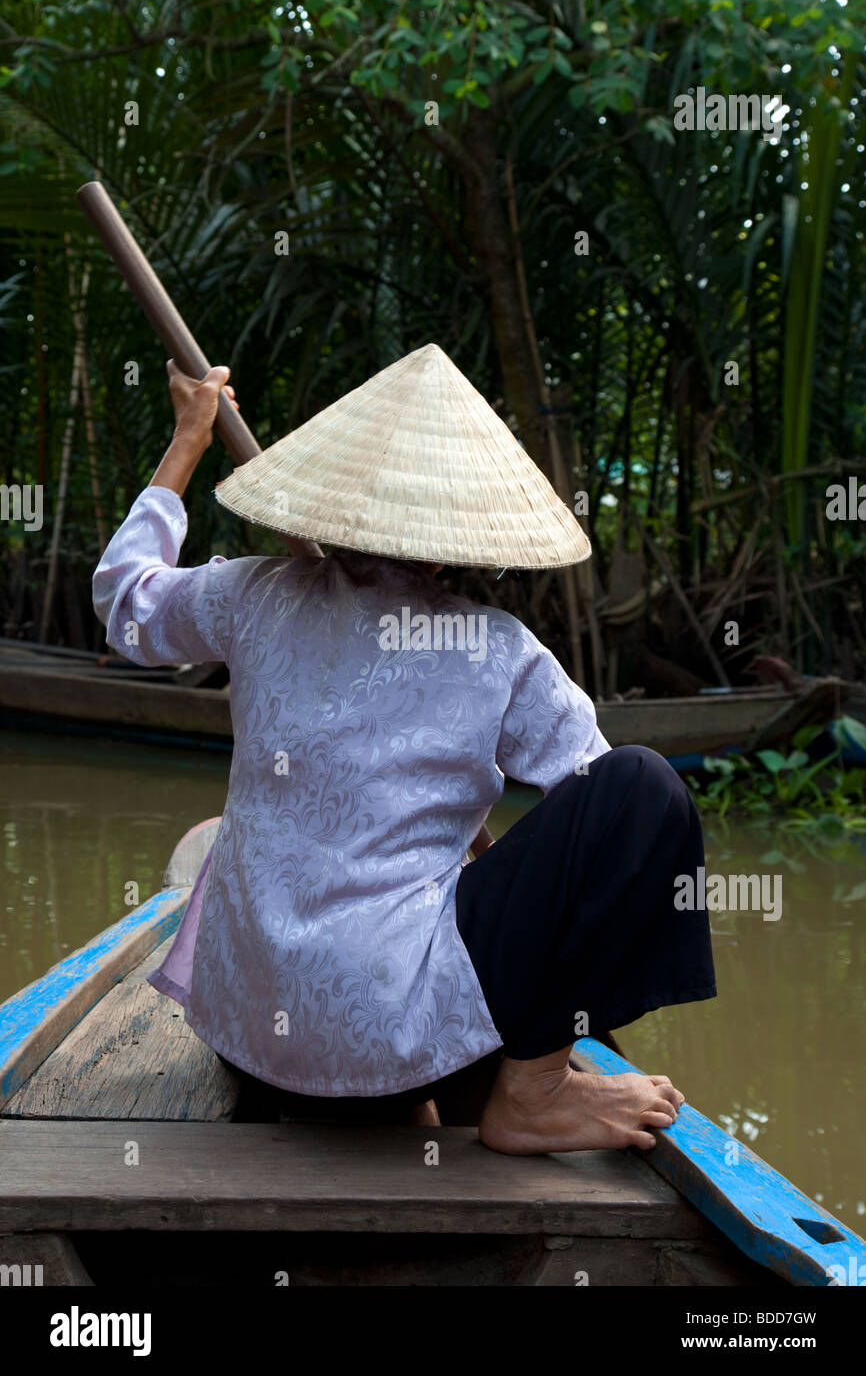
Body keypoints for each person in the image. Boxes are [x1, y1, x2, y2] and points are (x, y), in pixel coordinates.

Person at [92, 343, 715, 1154]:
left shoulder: (251, 596)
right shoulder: (494, 648)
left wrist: (188, 438)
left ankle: (448, 1084)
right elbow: (608, 826)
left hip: (246, 1029)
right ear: (453, 536)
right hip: (381, 1031)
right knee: (644, 788)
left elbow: (123, 601)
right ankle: (535, 1090)